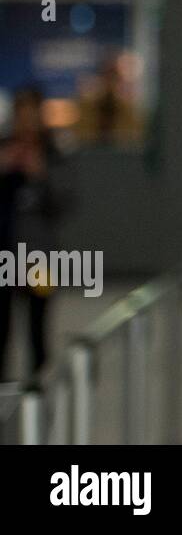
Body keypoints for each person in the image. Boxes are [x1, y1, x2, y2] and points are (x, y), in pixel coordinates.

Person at [0, 87, 67, 379]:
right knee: (1, 330)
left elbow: (64, 203)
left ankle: (38, 391)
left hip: (41, 257)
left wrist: (41, 175)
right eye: (21, 116)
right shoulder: (4, 149)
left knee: (38, 326)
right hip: (4, 253)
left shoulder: (53, 154)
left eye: (31, 116)